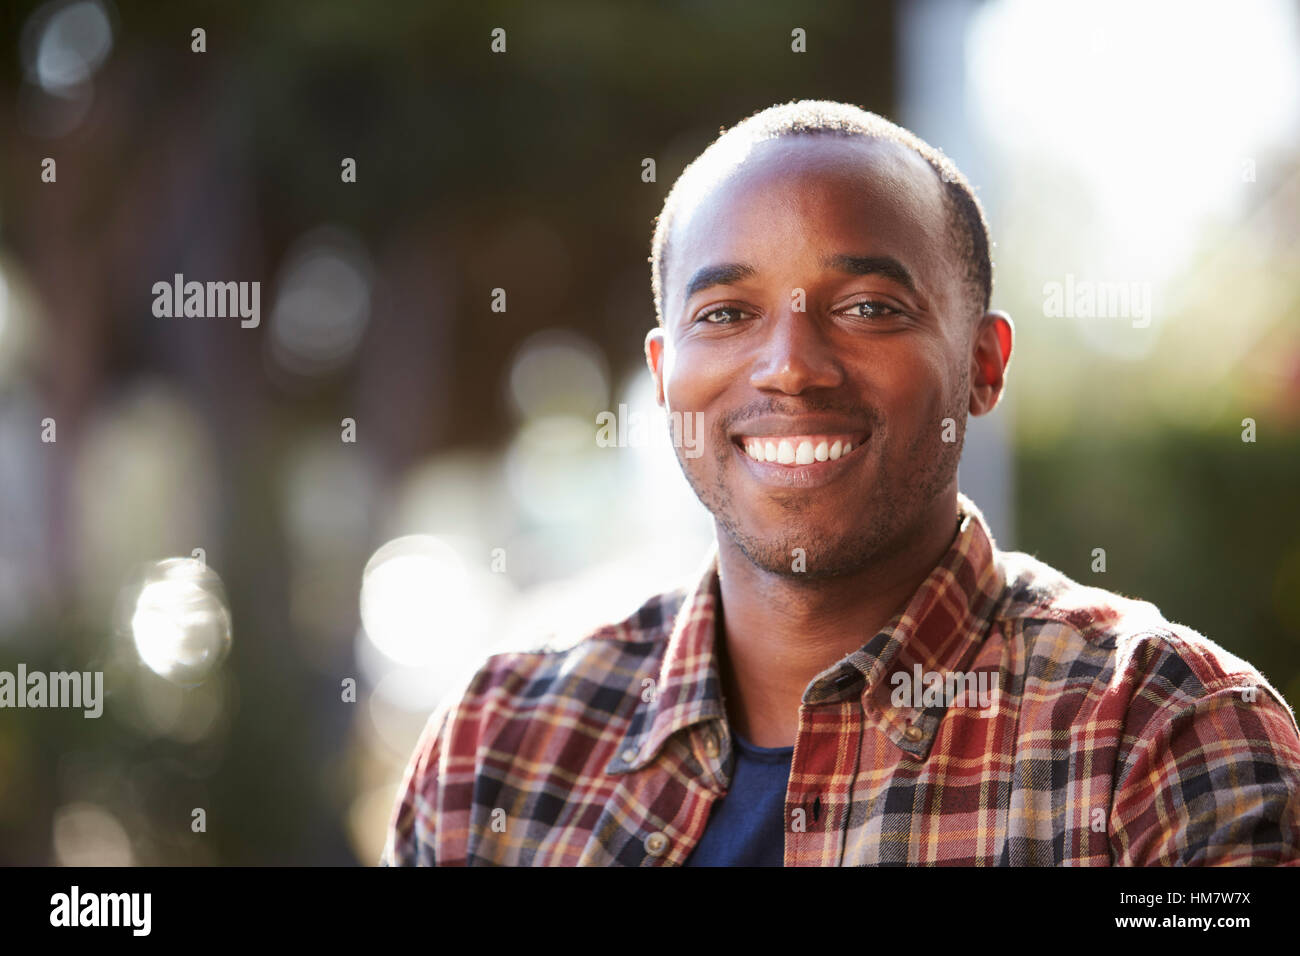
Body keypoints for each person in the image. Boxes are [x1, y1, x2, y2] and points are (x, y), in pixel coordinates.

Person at [381, 99, 1300, 866]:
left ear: (983, 365)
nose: (790, 367)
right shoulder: (498, 746)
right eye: (728, 313)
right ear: (664, 377)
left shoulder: (1161, 738)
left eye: (868, 308)